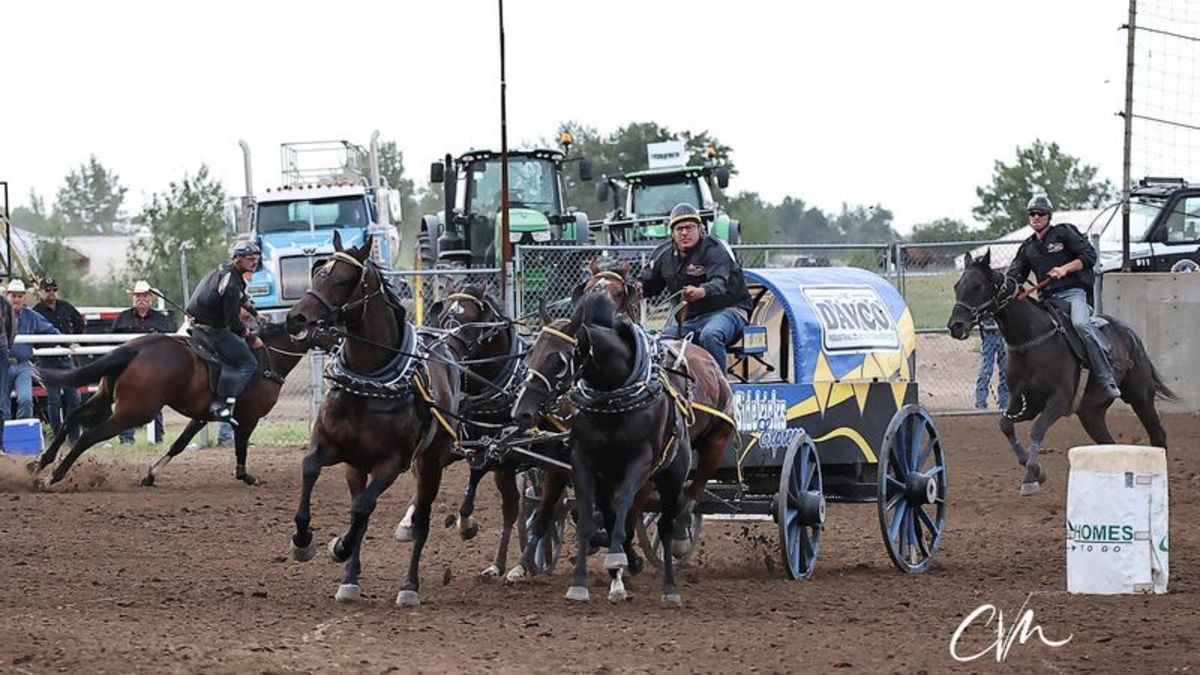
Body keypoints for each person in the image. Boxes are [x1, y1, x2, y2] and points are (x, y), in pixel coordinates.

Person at [1006, 194, 1120, 399]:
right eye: (1032, 213)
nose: (1036, 217)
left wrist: (1065, 268)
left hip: (1074, 294)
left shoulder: (1063, 233)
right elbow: (1015, 275)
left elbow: (1089, 256)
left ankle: (1106, 377)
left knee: (1080, 325)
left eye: (1040, 213)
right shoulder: (1027, 247)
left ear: (1049, 216)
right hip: (1047, 300)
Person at [636, 203, 753, 367]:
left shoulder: (715, 249)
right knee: (662, 342)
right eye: (679, 229)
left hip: (729, 311)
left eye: (689, 227)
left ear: (699, 229)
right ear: (672, 234)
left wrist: (702, 291)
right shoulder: (663, 255)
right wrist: (638, 287)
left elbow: (720, 283)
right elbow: (649, 283)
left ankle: (719, 388)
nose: (684, 232)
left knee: (710, 335)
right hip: (689, 320)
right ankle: (674, 387)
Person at [184, 242, 263, 424]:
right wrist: (251, 336)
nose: (254, 262)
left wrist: (256, 315)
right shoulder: (231, 284)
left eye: (256, 258)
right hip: (213, 331)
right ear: (237, 259)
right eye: (250, 259)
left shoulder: (226, 271)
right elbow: (233, 323)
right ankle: (222, 403)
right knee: (248, 362)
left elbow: (241, 298)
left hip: (198, 325)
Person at [111, 280, 177, 443]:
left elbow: (171, 342)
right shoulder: (122, 318)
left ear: (151, 299)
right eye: (138, 295)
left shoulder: (161, 319)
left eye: (145, 296)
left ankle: (157, 437)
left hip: (155, 368)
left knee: (156, 400)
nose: (141, 299)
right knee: (126, 402)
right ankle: (126, 438)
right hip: (128, 368)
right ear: (133, 298)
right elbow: (113, 342)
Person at [32, 277, 86, 442]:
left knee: (74, 399)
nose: (51, 294)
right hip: (47, 359)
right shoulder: (35, 311)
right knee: (54, 400)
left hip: (65, 357)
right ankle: (58, 437)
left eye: (54, 290)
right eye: (48, 290)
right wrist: (43, 348)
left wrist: (74, 340)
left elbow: (79, 322)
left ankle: (73, 437)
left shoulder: (65, 306)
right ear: (40, 292)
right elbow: (32, 334)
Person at [5, 279, 61, 421]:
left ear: (24, 297)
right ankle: (5, 438)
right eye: (14, 296)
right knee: (2, 405)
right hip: (3, 364)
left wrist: (68, 342)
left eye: (20, 296)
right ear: (7, 296)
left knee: (26, 400)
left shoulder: (31, 316)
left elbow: (50, 330)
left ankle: (22, 434)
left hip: (22, 364)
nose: (16, 299)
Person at [975, 316, 1009, 410]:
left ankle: (1004, 402)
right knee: (986, 370)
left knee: (1005, 370)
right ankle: (981, 403)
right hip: (990, 333)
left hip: (1004, 333)